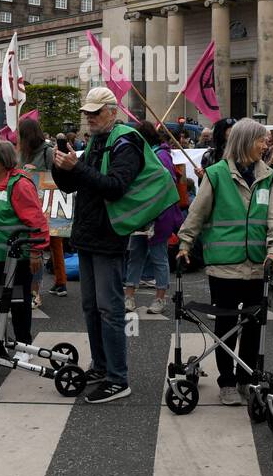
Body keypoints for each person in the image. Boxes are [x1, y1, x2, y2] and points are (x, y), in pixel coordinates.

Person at [51, 87, 179, 403]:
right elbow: (71, 186)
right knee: (91, 306)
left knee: (109, 307)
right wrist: (60, 163)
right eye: (87, 113)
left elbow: (115, 188)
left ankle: (118, 377)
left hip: (109, 233)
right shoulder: (98, 140)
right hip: (88, 231)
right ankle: (101, 366)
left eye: (96, 112)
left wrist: (77, 167)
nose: (90, 118)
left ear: (112, 111)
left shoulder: (126, 141)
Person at [176, 118, 273, 406]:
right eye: (261, 140)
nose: (266, 145)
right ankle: (226, 381)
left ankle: (246, 378)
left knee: (252, 324)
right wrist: (185, 244)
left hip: (257, 265)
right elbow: (196, 214)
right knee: (226, 324)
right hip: (223, 265)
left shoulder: (267, 175)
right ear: (245, 142)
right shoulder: (216, 174)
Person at [0, 140, 48, 350]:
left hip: (15, 258)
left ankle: (24, 344)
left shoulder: (20, 184)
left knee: (19, 302)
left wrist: (36, 252)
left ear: (5, 161)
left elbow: (36, 220)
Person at [122, 121, 182, 316]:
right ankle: (129, 295)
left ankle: (160, 298)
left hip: (158, 214)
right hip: (142, 213)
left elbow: (165, 184)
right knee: (135, 255)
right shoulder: (150, 154)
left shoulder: (161, 156)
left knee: (158, 256)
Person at [17, 117, 67, 307]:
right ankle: (41, 286)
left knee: (55, 243)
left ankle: (59, 282)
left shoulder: (46, 152)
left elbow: (55, 176)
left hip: (47, 205)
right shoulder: (22, 152)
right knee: (35, 247)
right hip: (28, 208)